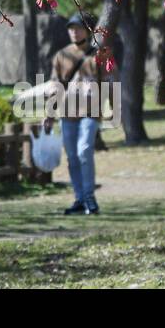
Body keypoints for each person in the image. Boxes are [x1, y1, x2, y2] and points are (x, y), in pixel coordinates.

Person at [52, 12, 102, 215]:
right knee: (72, 157)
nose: (74, 32)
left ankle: (90, 196)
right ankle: (79, 198)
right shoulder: (61, 55)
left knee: (84, 151)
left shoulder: (98, 55)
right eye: (71, 28)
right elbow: (55, 85)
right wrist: (49, 113)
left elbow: (109, 81)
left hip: (90, 112)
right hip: (67, 113)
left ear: (87, 31)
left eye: (78, 28)